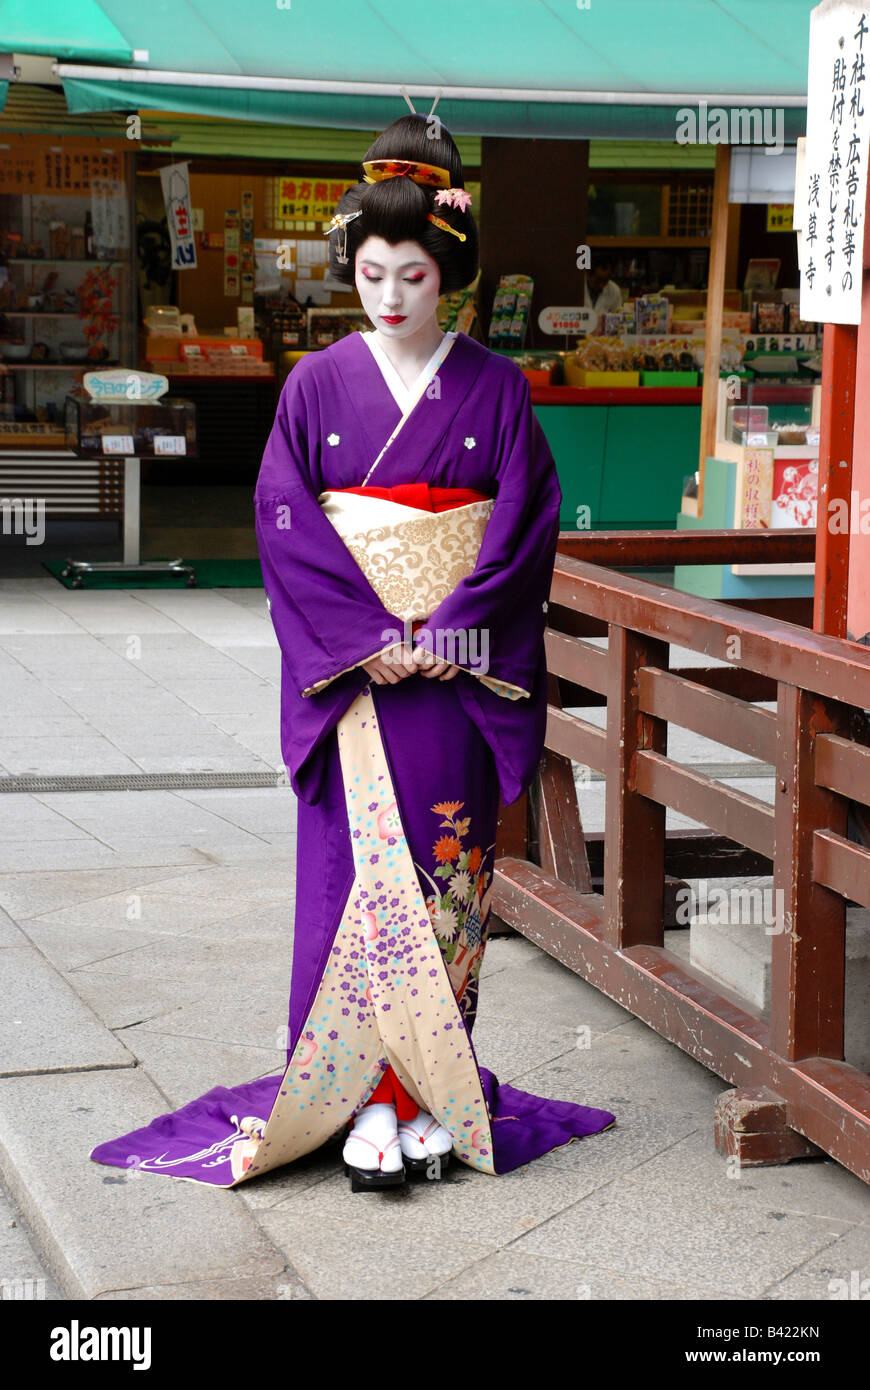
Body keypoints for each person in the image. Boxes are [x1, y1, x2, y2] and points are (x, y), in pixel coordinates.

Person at [89, 112, 615, 1193]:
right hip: (357, 683)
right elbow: (285, 521)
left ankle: (430, 1092)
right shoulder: (316, 386)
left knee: (444, 882)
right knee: (349, 891)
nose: (389, 296)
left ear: (449, 276)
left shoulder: (499, 392)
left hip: (456, 683)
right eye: (372, 273)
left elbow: (520, 528)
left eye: (413, 275)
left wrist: (449, 631)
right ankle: (352, 1097)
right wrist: (371, 640)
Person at [584, 252, 623, 327]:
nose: (601, 285)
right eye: (598, 280)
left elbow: (617, 320)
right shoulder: (577, 288)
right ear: (588, 274)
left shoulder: (614, 290)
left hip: (604, 337)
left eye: (605, 281)